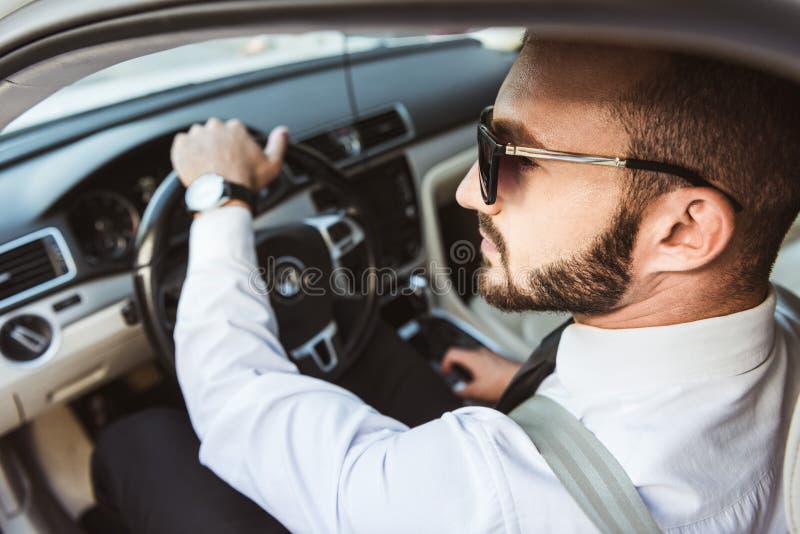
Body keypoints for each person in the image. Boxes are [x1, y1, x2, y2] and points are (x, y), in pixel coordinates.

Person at [93, 35, 800, 533]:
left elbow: (236, 404)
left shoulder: (492, 498)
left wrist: (220, 201)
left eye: (512, 158)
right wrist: (524, 383)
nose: (470, 192)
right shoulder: (783, 331)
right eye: (483, 141)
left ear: (684, 232)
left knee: (139, 443)